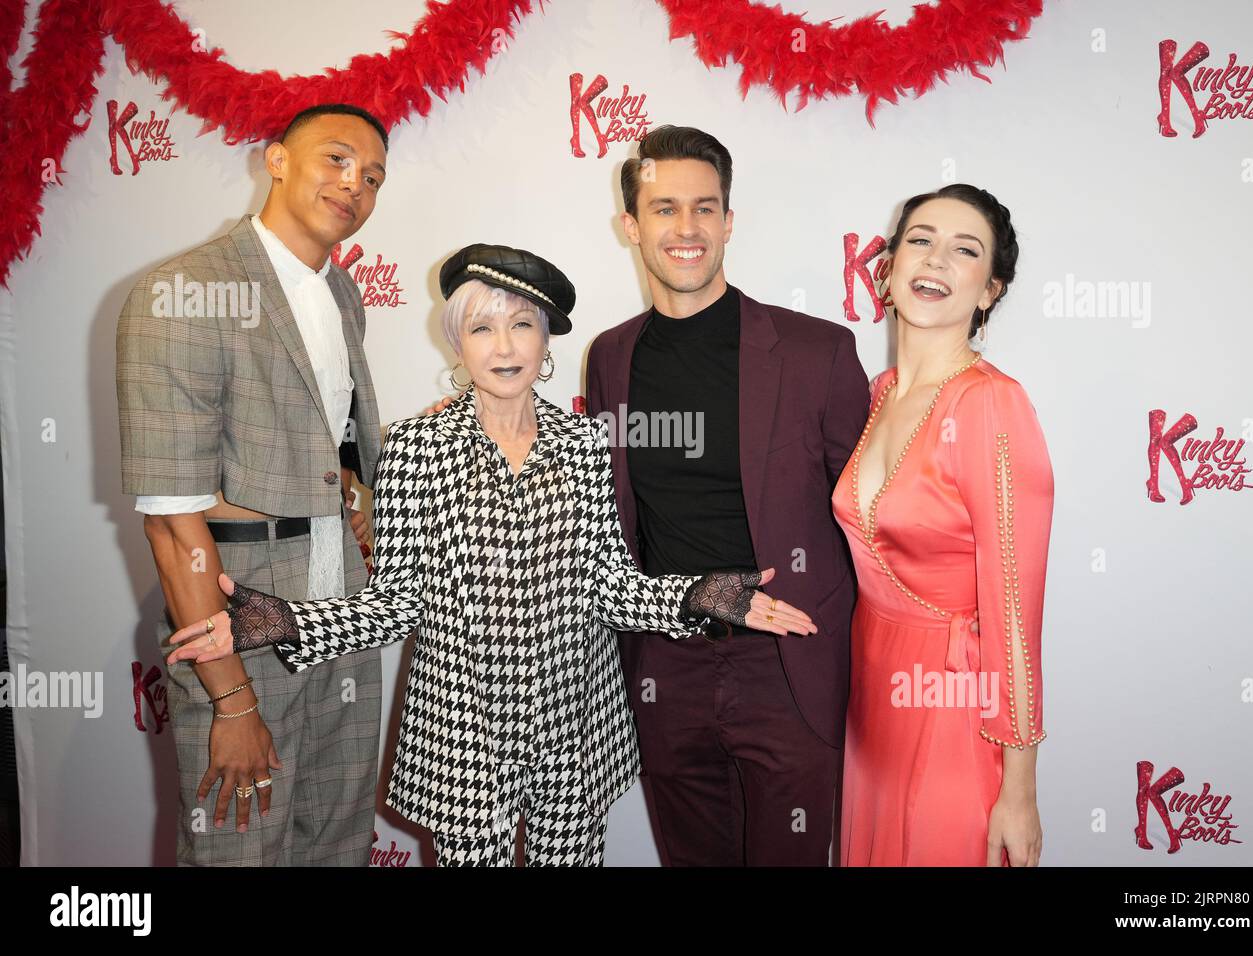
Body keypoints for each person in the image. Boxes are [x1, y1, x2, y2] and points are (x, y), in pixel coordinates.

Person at [167, 244, 817, 867]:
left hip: (573, 724)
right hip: (464, 730)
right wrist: (289, 622)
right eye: (482, 327)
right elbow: (399, 601)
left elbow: (609, 586)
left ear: (547, 340)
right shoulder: (416, 448)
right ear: (457, 342)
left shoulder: (586, 444)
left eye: (522, 325)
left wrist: (696, 596)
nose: (504, 346)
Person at [585, 126, 872, 866]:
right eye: (664, 209)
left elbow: (870, 516)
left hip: (787, 662)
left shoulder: (817, 351)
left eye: (705, 209)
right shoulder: (611, 355)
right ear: (631, 226)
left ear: (729, 221)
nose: (687, 229)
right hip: (666, 664)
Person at [116, 103, 390, 865]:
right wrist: (230, 699)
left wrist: (353, 496)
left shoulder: (343, 295)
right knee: (242, 849)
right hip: (236, 620)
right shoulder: (184, 293)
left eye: (372, 177)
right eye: (336, 159)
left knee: (336, 847)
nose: (354, 185)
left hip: (343, 617)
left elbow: (320, 441)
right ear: (275, 159)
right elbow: (172, 524)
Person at [831, 184, 1054, 866]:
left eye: (965, 251)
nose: (935, 260)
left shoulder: (993, 405)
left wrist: (1019, 792)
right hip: (870, 703)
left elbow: (1016, 614)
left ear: (989, 290)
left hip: (954, 703)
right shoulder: (880, 393)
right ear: (888, 269)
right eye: (920, 239)